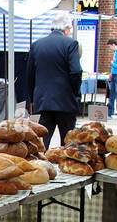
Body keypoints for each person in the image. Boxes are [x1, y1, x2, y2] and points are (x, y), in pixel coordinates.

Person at [24, 12, 82, 143]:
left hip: (42, 101)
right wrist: (75, 92)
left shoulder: (37, 45)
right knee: (68, 143)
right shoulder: (71, 44)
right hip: (65, 101)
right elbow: (76, 71)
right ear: (66, 28)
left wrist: (32, 98)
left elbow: (30, 74)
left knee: (41, 143)